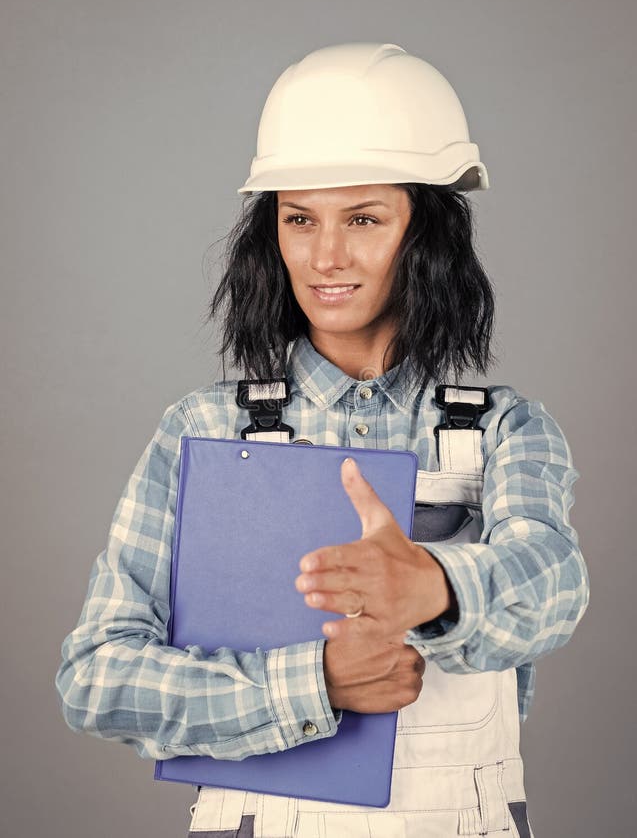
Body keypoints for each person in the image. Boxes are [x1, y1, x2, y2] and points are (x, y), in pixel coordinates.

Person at [55, 42, 590, 838]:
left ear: (427, 236)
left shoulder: (503, 429)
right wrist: (313, 684)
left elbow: (552, 589)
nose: (326, 256)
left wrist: (433, 586)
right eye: (298, 219)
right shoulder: (202, 430)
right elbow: (97, 678)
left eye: (363, 219)